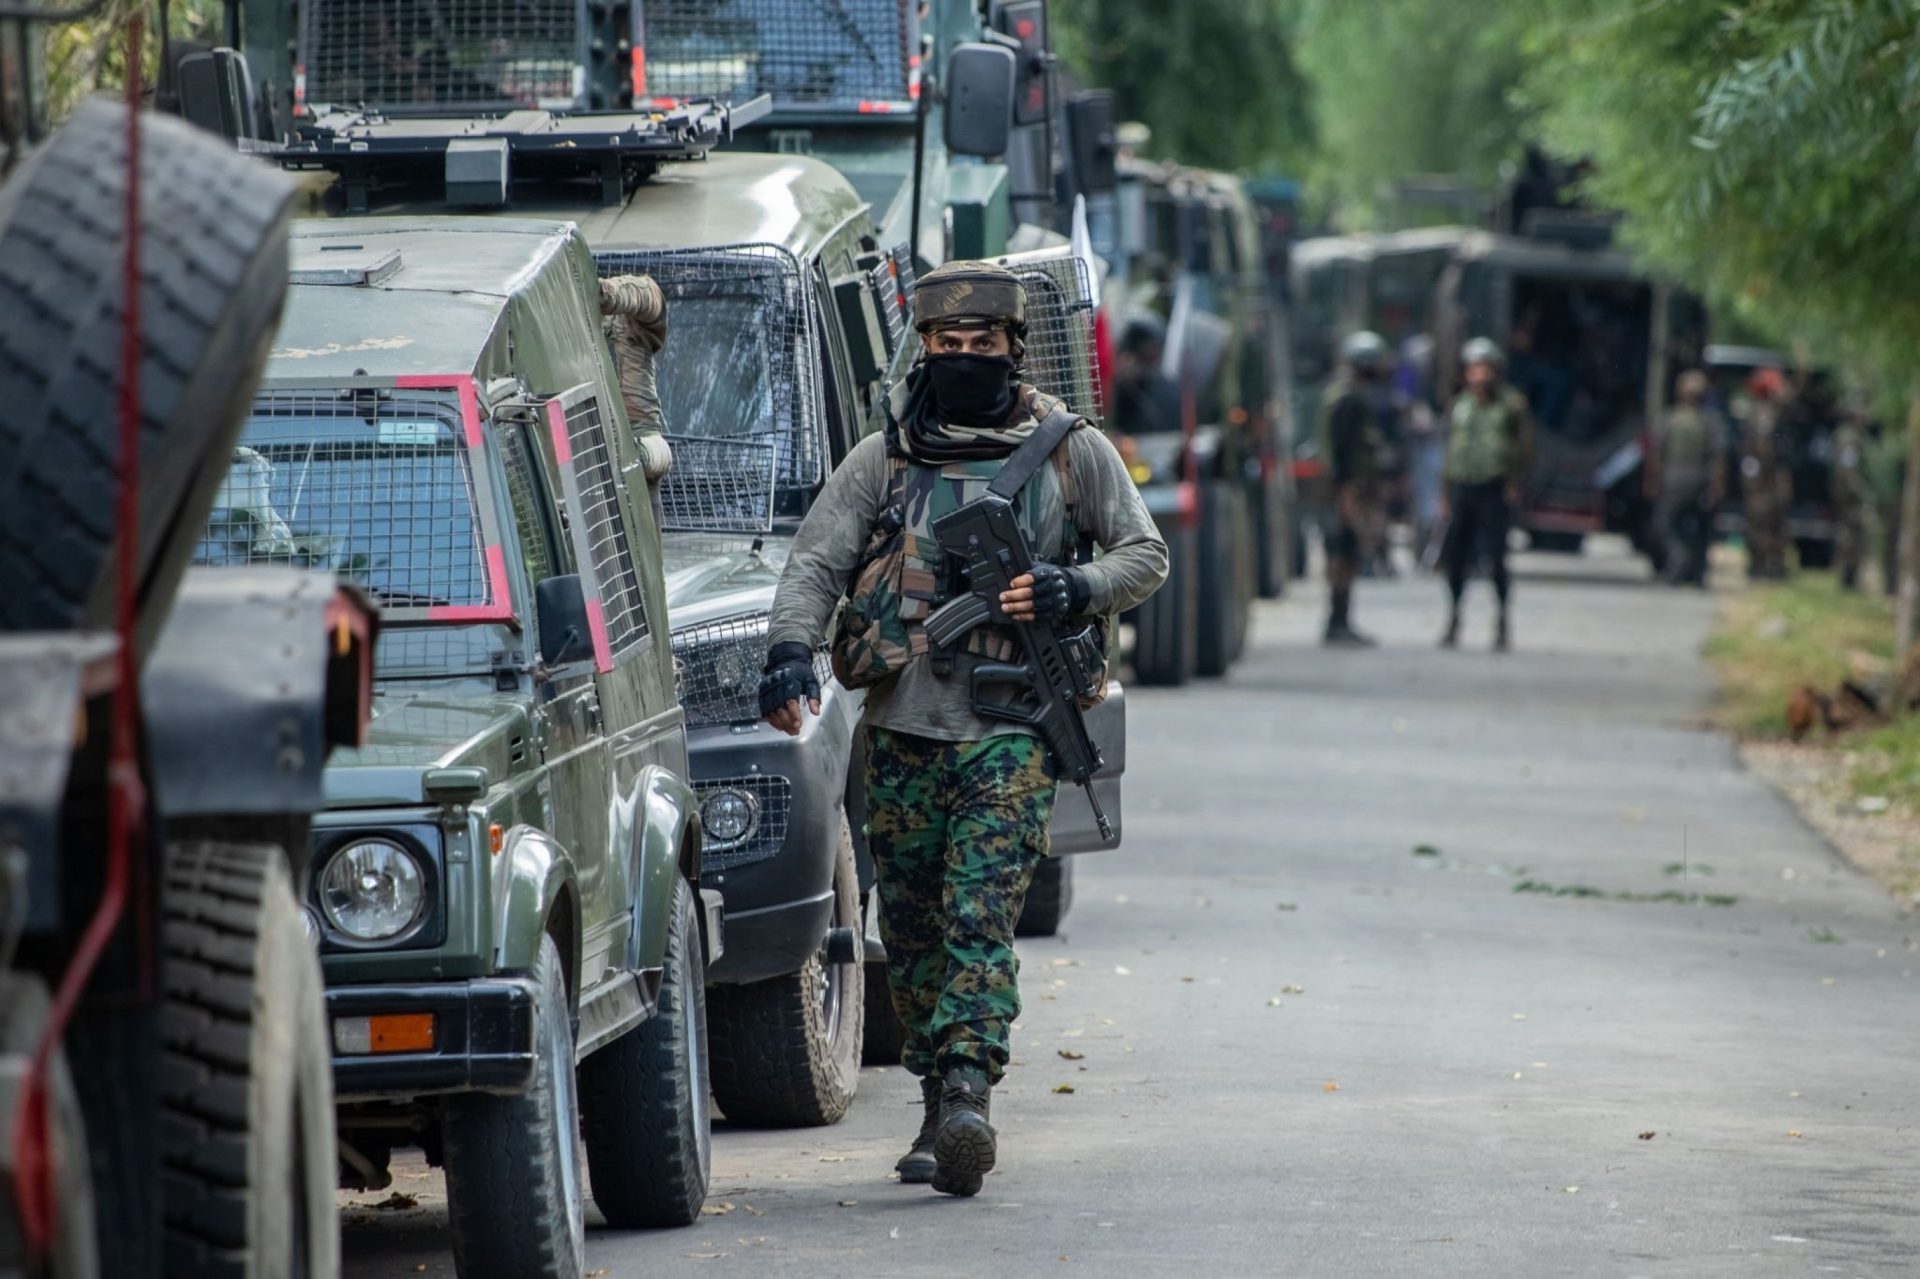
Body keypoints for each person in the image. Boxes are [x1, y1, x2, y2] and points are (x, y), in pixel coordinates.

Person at [757, 261, 1167, 1198]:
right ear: (924, 349)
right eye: (949, 345)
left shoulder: (1072, 450)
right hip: (902, 727)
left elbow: (1146, 552)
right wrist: (788, 653)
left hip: (1012, 727)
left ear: (1013, 349)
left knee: (981, 910)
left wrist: (1074, 586)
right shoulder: (885, 458)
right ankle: (940, 1095)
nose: (966, 359)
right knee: (912, 926)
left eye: (984, 346)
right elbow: (816, 563)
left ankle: (972, 1090)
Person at [1440, 337, 1534, 651]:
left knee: (1496, 558)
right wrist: (1445, 491)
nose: (1479, 375)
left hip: (1494, 488)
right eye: (1473, 368)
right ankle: (1453, 619)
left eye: (1485, 368)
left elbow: (1524, 448)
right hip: (1464, 487)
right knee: (1455, 558)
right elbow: (1451, 449)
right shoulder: (1460, 405)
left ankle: (1502, 621)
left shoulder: (1511, 405)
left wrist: (1515, 484)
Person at [1320, 330, 1392, 646]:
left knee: (1347, 556)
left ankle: (1341, 621)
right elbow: (1344, 453)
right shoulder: (1348, 400)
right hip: (1344, 492)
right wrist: (1349, 497)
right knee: (1343, 557)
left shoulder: (1344, 394)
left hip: (1344, 490)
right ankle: (1337, 622)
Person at [1648, 369, 1726, 587]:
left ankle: (1679, 562)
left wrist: (1653, 482)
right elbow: (1718, 459)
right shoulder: (1711, 422)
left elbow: (1657, 454)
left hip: (1674, 480)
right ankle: (1696, 573)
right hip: (1699, 479)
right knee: (1700, 529)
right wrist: (1716, 486)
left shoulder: (1669, 419)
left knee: (1665, 526)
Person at [1741, 368, 1792, 580]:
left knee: (1771, 523)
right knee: (1762, 522)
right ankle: (1761, 567)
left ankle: (1770, 566)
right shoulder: (1763, 414)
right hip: (1764, 479)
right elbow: (1762, 448)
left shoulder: (1764, 412)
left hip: (1766, 476)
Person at [1831, 400, 1871, 591]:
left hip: (1847, 494)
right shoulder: (1849, 437)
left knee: (1852, 534)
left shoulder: (1848, 435)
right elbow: (1848, 470)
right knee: (1852, 535)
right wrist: (1862, 492)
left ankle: (1850, 577)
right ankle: (1849, 577)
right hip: (1850, 497)